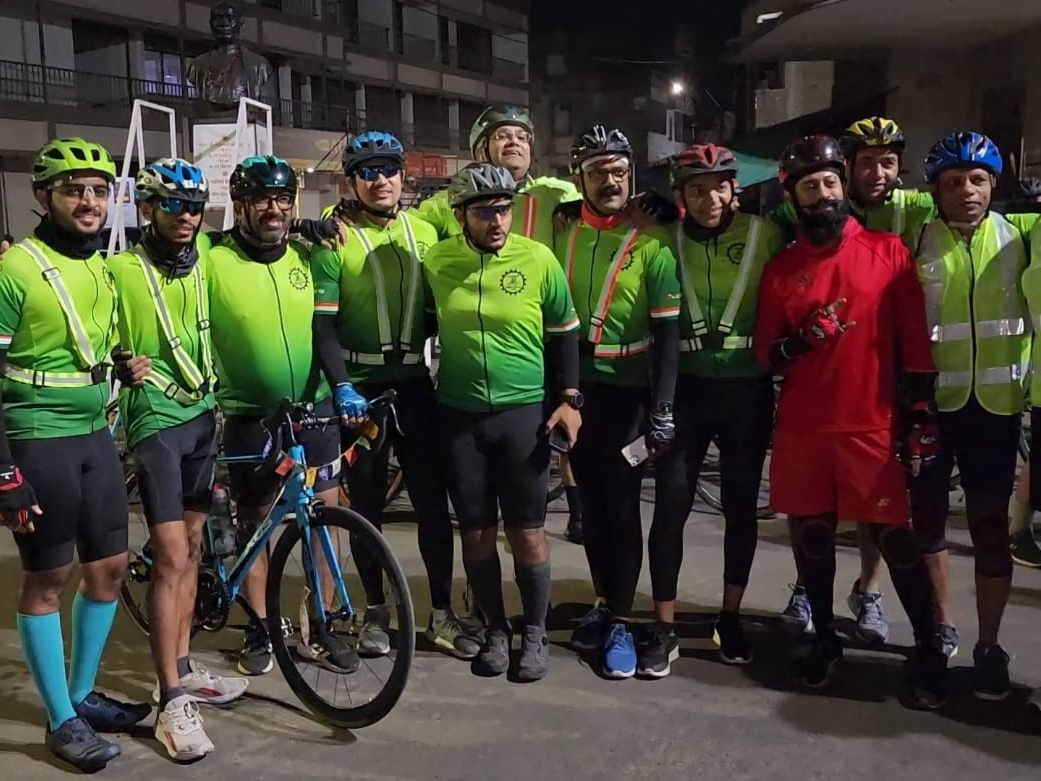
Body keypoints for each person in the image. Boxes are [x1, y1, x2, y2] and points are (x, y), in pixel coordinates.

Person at [754, 134, 948, 708]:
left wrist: (919, 417)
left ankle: (929, 648)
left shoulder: (888, 251)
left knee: (895, 537)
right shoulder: (782, 269)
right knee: (812, 536)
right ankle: (826, 643)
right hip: (805, 427)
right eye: (810, 186)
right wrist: (802, 340)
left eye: (831, 182)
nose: (824, 194)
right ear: (793, 197)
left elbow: (914, 341)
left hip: (872, 422)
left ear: (845, 185)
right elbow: (766, 352)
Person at [0, 137, 151, 771]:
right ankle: (60, 719)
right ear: (44, 197)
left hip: (94, 434)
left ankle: (82, 694)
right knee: (47, 579)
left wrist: (120, 362)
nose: (89, 201)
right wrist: (4, 471)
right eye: (73, 189)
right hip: (37, 436)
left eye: (98, 190)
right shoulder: (15, 269)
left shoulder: (102, 266)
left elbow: (90, 338)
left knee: (110, 566)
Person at [311, 131, 480, 659]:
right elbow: (323, 328)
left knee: (433, 505)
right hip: (361, 392)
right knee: (366, 509)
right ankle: (376, 612)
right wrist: (340, 386)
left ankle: (441, 614)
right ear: (351, 181)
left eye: (388, 169)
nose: (379, 179)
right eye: (367, 171)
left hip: (413, 385)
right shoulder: (334, 239)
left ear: (404, 177)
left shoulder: (425, 231)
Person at [107, 158, 248, 760]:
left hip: (203, 414)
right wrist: (117, 358)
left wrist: (316, 229)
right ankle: (170, 701)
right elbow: (89, 322)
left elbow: (259, 242)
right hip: (156, 419)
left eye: (195, 206)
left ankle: (184, 667)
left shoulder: (208, 258)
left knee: (191, 548)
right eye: (173, 205)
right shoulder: (119, 268)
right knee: (169, 555)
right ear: (146, 209)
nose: (187, 216)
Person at [207, 154, 364, 677]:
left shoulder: (308, 256)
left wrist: (340, 388)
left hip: (312, 408)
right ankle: (260, 624)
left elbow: (324, 331)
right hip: (250, 413)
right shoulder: (211, 257)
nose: (273, 209)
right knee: (256, 524)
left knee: (324, 513)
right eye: (260, 200)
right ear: (240, 204)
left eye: (283, 200)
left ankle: (321, 622)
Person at [423, 162, 582, 681]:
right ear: (461, 215)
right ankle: (495, 628)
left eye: (504, 208)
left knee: (529, 533)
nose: (496, 220)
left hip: (522, 416)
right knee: (476, 533)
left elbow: (565, 333)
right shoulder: (438, 260)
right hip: (460, 418)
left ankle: (534, 632)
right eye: (484, 211)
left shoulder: (537, 259)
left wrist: (569, 399)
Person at [909, 132, 1040, 697]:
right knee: (927, 529)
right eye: (953, 182)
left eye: (978, 180)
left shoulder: (1024, 235)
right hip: (931, 411)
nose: (967, 191)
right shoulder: (912, 238)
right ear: (935, 190)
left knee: (989, 531)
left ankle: (989, 644)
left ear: (995, 184)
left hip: (997, 411)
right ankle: (940, 632)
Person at [644, 144, 783, 676]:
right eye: (696, 190)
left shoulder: (766, 235)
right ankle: (664, 623)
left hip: (747, 392)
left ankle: (731, 615)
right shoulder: (662, 239)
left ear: (735, 189)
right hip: (687, 392)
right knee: (671, 506)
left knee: (741, 507)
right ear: (680, 195)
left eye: (719, 187)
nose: (709, 199)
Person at [558, 126, 680, 679]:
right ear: (579, 178)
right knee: (589, 510)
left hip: (630, 392)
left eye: (620, 172)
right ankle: (606, 605)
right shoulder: (563, 232)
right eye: (598, 172)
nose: (611, 181)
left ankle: (625, 622)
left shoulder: (653, 242)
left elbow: (670, 339)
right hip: (577, 391)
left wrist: (662, 408)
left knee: (623, 507)